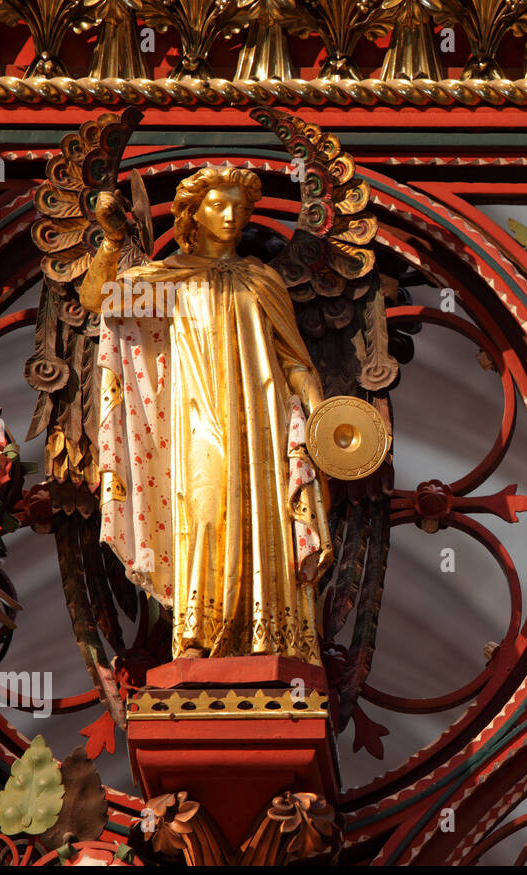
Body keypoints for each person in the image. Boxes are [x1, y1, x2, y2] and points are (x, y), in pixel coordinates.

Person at [82, 165, 332, 663]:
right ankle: (197, 637)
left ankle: (270, 639)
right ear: (192, 214)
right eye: (219, 204)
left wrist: (321, 408)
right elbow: (99, 300)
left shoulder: (261, 280)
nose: (232, 215)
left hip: (262, 420)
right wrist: (113, 240)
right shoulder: (171, 279)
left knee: (268, 518)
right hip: (197, 418)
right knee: (204, 507)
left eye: (240, 206)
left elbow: (294, 360)